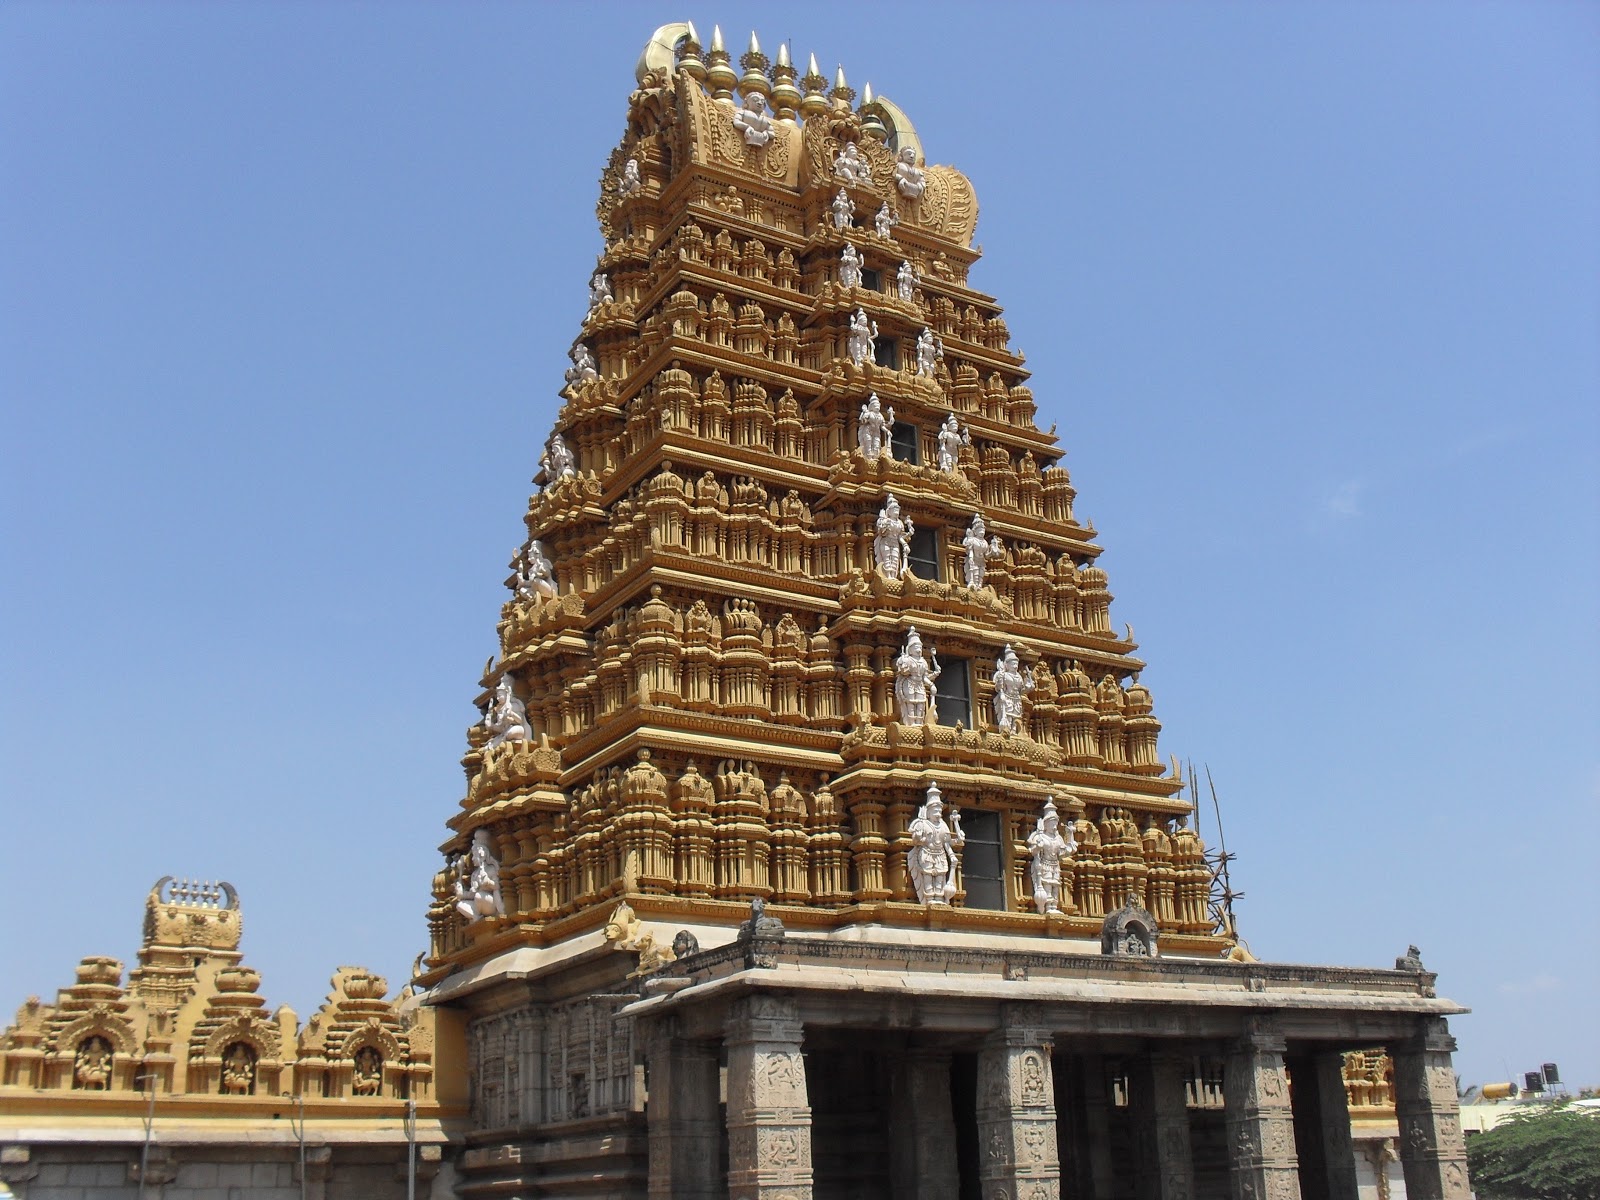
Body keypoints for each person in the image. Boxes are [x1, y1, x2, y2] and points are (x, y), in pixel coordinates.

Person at [908, 783, 964, 904]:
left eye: (939, 809)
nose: (938, 812)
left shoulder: (943, 825)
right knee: (928, 877)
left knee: (940, 877)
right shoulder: (923, 823)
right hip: (926, 854)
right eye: (935, 809)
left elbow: (948, 843)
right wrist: (918, 836)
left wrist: (958, 840)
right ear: (928, 811)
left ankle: (939, 898)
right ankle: (929, 899)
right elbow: (916, 840)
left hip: (940, 855)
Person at [1026, 797, 1074, 914]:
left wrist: (1070, 835)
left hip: (1055, 865)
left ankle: (1054, 905)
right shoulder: (1040, 836)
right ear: (1045, 824)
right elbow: (1033, 850)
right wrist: (1038, 846)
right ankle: (1048, 906)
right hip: (1044, 864)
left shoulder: (1058, 838)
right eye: (1051, 823)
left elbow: (1064, 852)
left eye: (1055, 824)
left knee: (1055, 886)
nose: (1054, 826)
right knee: (1047, 885)